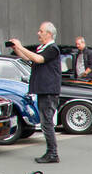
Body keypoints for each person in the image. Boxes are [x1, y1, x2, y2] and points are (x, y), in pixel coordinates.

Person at [10, 21, 64, 162]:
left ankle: (53, 153)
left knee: (47, 122)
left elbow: (39, 59)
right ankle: (51, 152)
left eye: (41, 31)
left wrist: (21, 46)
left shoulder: (52, 49)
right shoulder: (43, 47)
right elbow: (30, 58)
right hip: (43, 90)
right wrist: (17, 49)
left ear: (49, 34)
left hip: (49, 91)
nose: (38, 33)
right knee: (45, 122)